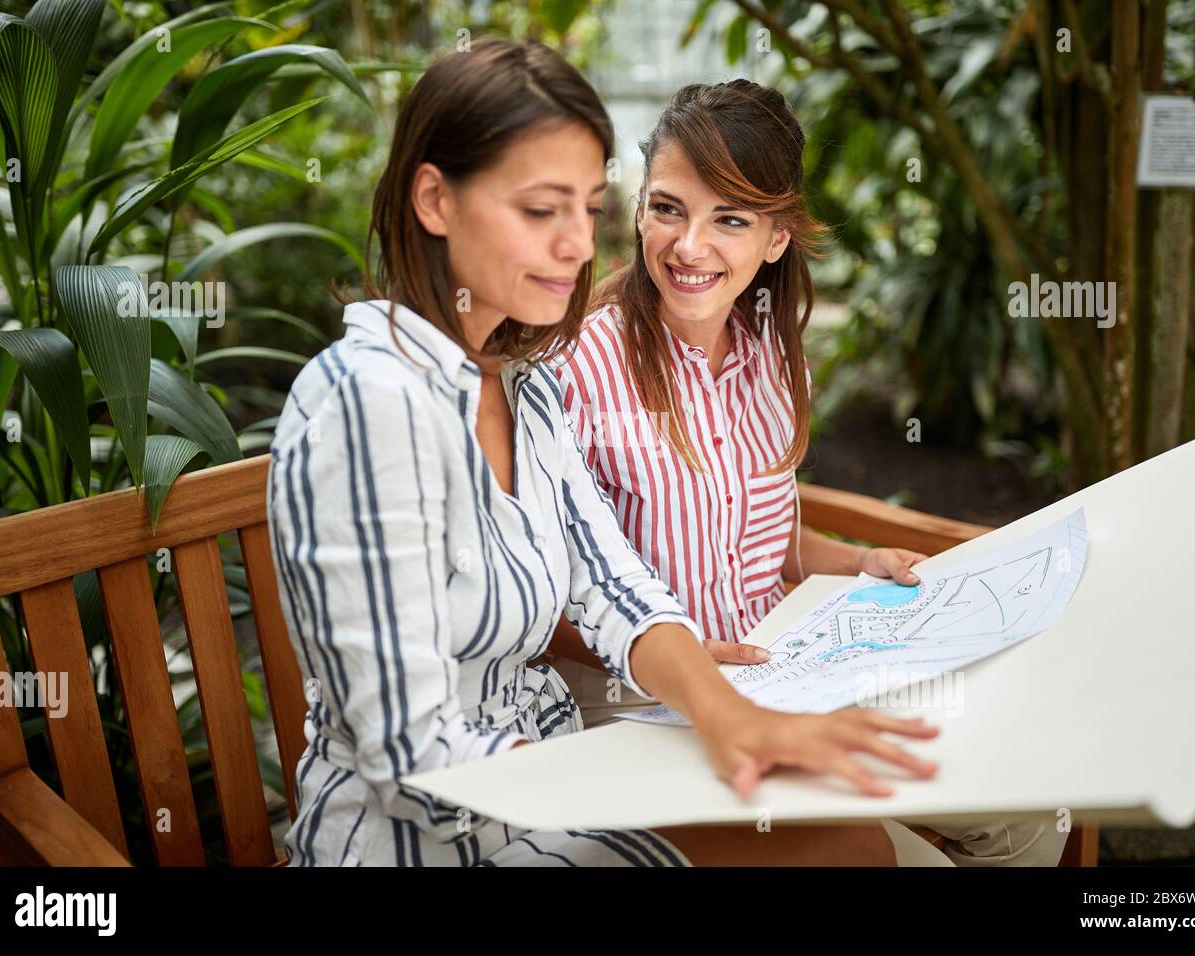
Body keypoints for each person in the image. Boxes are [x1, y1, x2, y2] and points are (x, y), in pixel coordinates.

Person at [266, 39, 938, 867]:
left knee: (853, 843)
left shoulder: (521, 388)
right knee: (847, 849)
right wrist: (641, 781)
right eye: (541, 210)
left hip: (551, 787)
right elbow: (411, 760)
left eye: (587, 209)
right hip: (431, 839)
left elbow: (618, 587)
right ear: (434, 200)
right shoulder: (362, 404)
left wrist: (732, 716)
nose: (581, 247)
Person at [547, 79, 1065, 867]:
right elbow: (538, 594)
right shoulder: (581, 368)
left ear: (777, 237)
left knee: (1036, 823)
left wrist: (859, 561)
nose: (689, 246)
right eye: (667, 208)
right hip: (643, 709)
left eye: (731, 219)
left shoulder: (773, 362)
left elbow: (761, 532)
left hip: (786, 671)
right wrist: (671, 657)